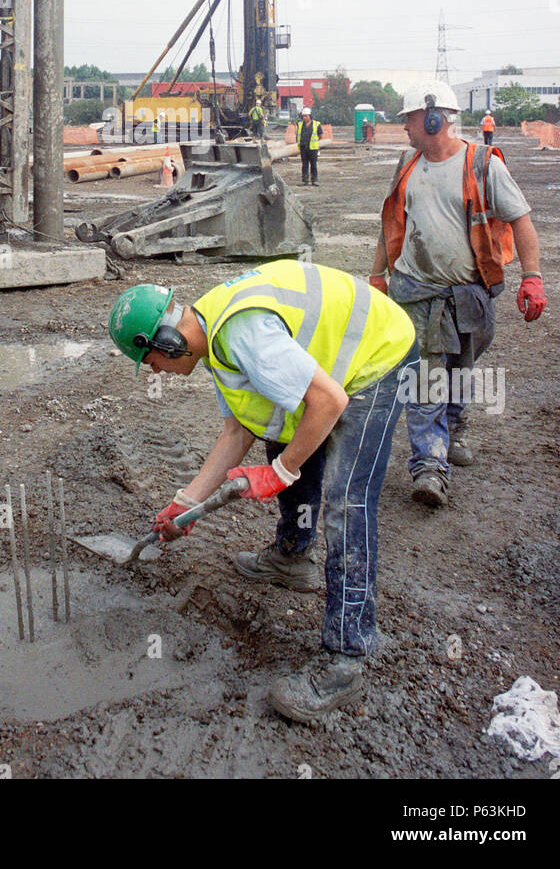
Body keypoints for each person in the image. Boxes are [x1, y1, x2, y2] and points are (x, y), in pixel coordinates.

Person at [108, 261, 418, 721]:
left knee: (346, 502)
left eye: (151, 362)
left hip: (379, 357)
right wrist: (185, 504)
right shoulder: (213, 335)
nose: (157, 372)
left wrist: (281, 471)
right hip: (334, 368)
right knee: (280, 422)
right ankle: (292, 557)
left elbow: (330, 401)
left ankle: (346, 660)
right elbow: (240, 430)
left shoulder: (243, 335)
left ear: (166, 341)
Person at [368, 82, 545, 508]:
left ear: (432, 118)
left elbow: (520, 219)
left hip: (468, 294)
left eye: (408, 119)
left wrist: (532, 276)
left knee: (460, 369)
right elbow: (390, 225)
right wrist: (377, 276)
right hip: (415, 291)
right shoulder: (407, 167)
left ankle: (454, 424)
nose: (405, 128)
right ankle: (429, 466)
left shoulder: (482, 164)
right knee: (424, 379)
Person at [297, 106, 323, 186]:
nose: (304, 118)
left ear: (310, 116)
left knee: (313, 165)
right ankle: (305, 180)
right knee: (304, 165)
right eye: (303, 116)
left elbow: (320, 135)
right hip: (303, 147)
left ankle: (314, 180)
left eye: (306, 116)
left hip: (313, 148)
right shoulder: (300, 124)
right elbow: (298, 135)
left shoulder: (316, 124)